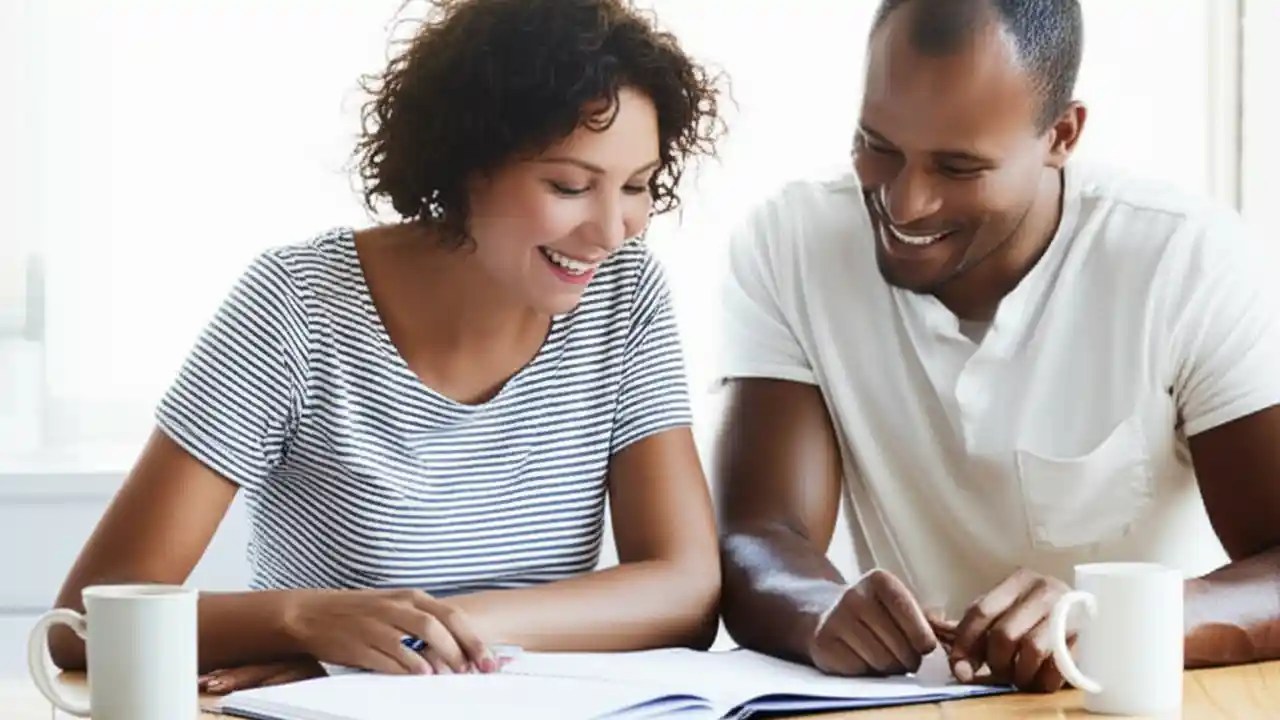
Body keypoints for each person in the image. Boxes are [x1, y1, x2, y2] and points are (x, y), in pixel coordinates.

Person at [50, 0, 725, 693]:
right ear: (468, 161)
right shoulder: (297, 305)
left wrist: (416, 633)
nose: (613, 231)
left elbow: (686, 589)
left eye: (638, 186)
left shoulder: (624, 295)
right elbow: (83, 621)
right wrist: (299, 619)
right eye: (570, 186)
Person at [716, 0, 1280, 694]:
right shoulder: (792, 244)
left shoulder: (1184, 261)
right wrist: (817, 609)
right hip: (918, 707)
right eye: (878, 145)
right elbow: (758, 533)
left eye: (958, 167)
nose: (905, 202)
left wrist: (1117, 622)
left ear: (1062, 135)